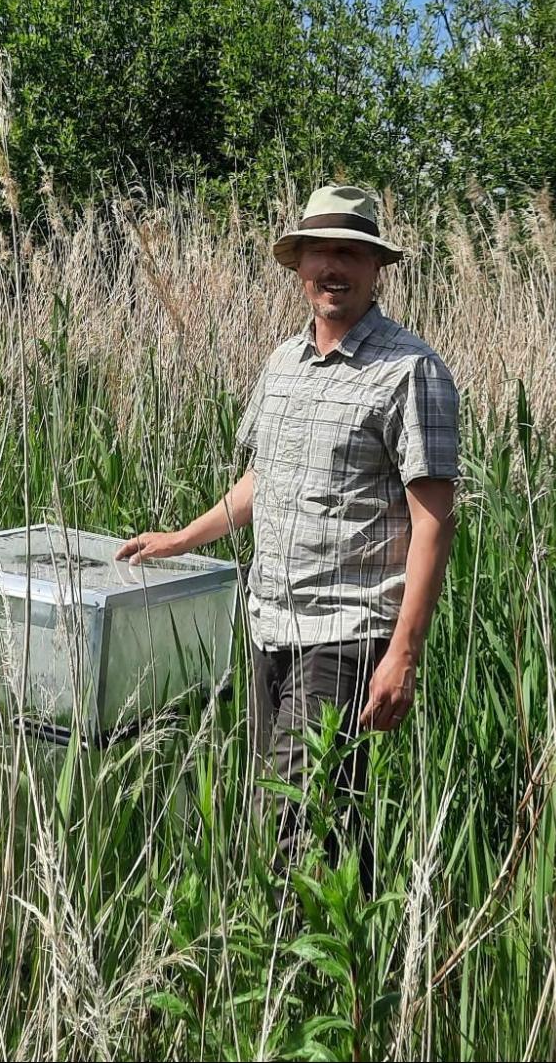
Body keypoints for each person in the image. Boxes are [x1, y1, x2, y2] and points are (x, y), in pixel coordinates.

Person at [117, 184, 461, 869]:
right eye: (319, 253)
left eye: (350, 254)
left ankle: (302, 968)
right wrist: (183, 539)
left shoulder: (409, 371)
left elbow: (434, 520)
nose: (333, 268)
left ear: (375, 270)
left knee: (292, 823)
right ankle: (357, 964)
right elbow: (263, 480)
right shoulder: (282, 364)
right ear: (298, 265)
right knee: (318, 821)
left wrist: (403, 654)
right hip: (269, 623)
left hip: (346, 630)